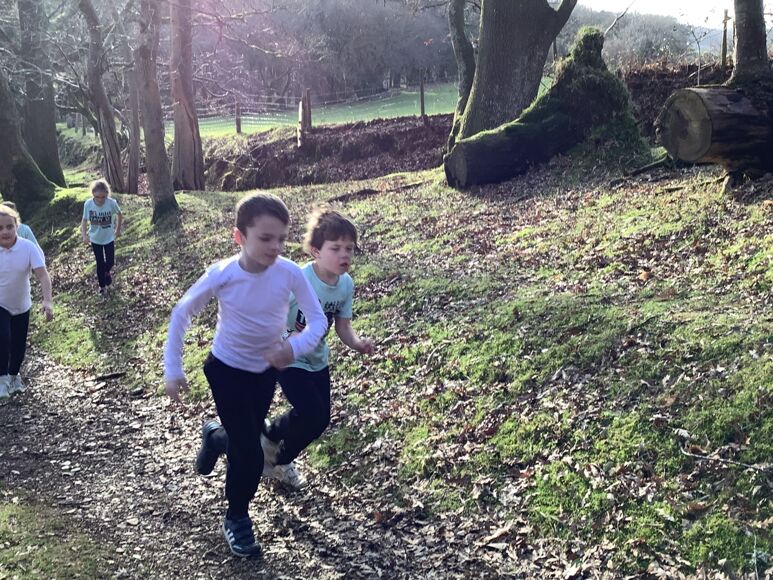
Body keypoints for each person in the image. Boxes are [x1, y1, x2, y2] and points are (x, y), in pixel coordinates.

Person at [163, 192, 327, 558]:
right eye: (265, 238)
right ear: (240, 236)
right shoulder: (223, 274)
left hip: (264, 372)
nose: (275, 247)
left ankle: (214, 437)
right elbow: (181, 313)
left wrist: (292, 349)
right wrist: (173, 369)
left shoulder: (289, 273)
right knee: (250, 452)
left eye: (281, 238)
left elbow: (318, 321)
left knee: (244, 437)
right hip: (225, 371)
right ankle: (236, 517)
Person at [195, 208, 374, 490]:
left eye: (349, 249)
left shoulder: (345, 285)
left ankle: (223, 440)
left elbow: (342, 326)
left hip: (317, 359)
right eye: (336, 248)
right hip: (287, 359)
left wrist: (357, 343)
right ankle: (274, 450)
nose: (345, 255)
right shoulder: (297, 279)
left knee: (319, 420)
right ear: (316, 251)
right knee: (311, 412)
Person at [0, 205, 54, 402]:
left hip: (22, 305)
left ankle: (14, 376)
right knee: (3, 337)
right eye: (0, 228)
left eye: (9, 226)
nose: (5, 232)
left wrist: (47, 301)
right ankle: (2, 380)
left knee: (18, 345)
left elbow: (43, 276)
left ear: (17, 226)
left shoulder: (27, 247)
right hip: (0, 304)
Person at [81, 179, 123, 296]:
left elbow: (119, 215)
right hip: (95, 239)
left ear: (107, 194)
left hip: (109, 237)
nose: (100, 200)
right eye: (97, 197)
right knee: (99, 263)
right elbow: (84, 220)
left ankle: (107, 272)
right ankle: (102, 287)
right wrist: (84, 235)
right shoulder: (88, 204)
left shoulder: (111, 203)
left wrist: (118, 229)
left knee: (110, 261)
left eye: (103, 197)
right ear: (93, 194)